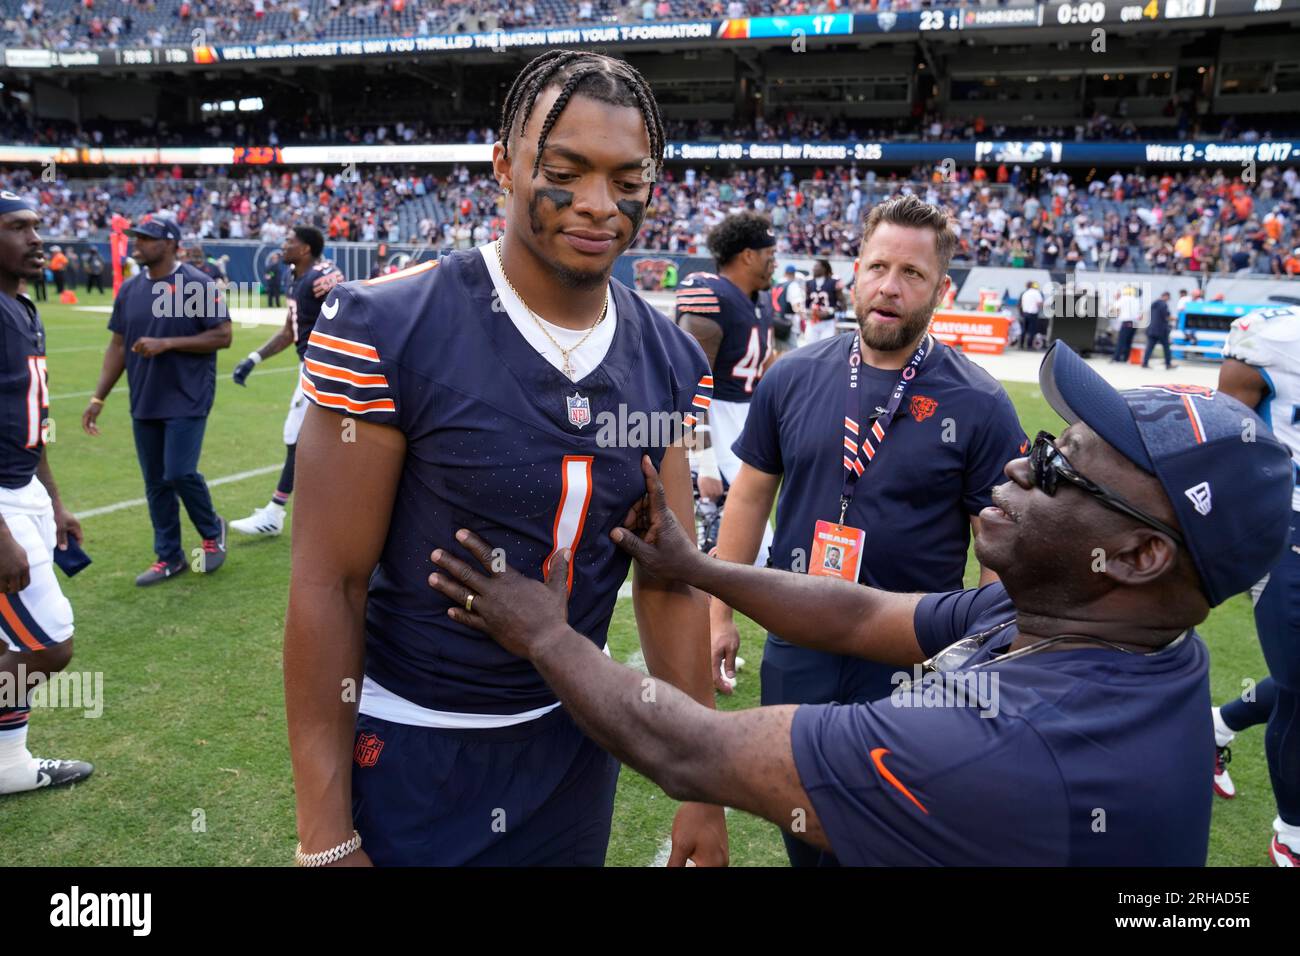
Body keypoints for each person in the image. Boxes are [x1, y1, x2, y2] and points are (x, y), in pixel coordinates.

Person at [427, 341, 1295, 866]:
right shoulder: (1106, 625)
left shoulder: (1012, 747)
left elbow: (686, 746)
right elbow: (856, 615)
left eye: (1063, 470)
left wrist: (543, 631)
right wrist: (703, 570)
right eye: (1043, 444)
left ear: (1142, 556)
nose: (1021, 468)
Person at [283, 50, 727, 868]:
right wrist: (324, 833)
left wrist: (700, 789)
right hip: (417, 745)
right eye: (566, 170)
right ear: (504, 165)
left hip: (574, 742)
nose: (598, 205)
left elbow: (665, 577)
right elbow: (328, 583)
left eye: (628, 180)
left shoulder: (666, 356)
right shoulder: (390, 325)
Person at [708, 194, 1026, 866]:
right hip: (799, 644)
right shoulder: (792, 377)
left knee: (894, 834)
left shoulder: (980, 403)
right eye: (878, 266)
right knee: (803, 824)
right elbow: (748, 500)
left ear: (942, 289)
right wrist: (718, 613)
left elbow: (995, 546)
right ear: (854, 272)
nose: (889, 286)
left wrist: (990, 654)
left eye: (912, 274)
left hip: (911, 660)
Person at [0, 191, 93, 795]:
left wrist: (52, 498)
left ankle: (8, 766)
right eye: (17, 228)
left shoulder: (23, 307)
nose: (37, 238)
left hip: (22, 487)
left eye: (37, 226)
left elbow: (29, 420)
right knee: (50, 645)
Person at [81, 219, 232, 586]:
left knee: (179, 471)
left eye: (146, 239)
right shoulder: (130, 290)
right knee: (155, 481)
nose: (137, 244)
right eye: (136, 238)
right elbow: (118, 345)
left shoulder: (196, 284)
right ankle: (169, 556)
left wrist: (167, 344)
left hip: (187, 394)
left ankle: (212, 532)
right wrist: (98, 396)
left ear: (169, 244)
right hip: (145, 397)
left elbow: (223, 335)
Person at [1207, 304, 1300, 866]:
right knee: (1298, 686)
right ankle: (1292, 833)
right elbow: (1225, 437)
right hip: (1286, 528)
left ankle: (1215, 727)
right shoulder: (1269, 335)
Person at [673, 213, 776, 568]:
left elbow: (764, 370)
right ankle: (713, 623)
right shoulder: (708, 294)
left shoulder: (760, 301)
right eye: (769, 253)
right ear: (748, 255)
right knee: (736, 555)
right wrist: (705, 462)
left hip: (747, 426)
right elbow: (689, 384)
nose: (774, 261)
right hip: (715, 424)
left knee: (764, 555)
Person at [228, 227, 342, 537]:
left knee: (298, 437)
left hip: (324, 369)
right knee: (319, 442)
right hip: (312, 365)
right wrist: (253, 358)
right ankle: (306, 509)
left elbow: (350, 320)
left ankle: (276, 512)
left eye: (290, 241)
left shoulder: (321, 277)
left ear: (305, 249)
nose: (284, 245)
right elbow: (288, 332)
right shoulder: (297, 277)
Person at [803, 259, 843, 345]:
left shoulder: (834, 281)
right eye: (814, 266)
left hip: (828, 322)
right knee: (810, 348)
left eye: (817, 266)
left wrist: (829, 311)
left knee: (825, 348)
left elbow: (842, 305)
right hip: (813, 322)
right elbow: (806, 303)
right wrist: (810, 312)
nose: (814, 268)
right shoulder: (809, 282)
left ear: (824, 268)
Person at [770, 263, 802, 354]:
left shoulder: (776, 284)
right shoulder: (792, 285)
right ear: (794, 273)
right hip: (787, 323)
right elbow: (796, 305)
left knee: (777, 352)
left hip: (775, 321)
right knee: (793, 353)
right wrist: (802, 315)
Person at [1142, 291, 1174, 370]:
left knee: (1149, 347)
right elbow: (1166, 316)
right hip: (1161, 330)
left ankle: (1144, 363)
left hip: (1152, 329)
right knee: (1166, 347)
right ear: (1166, 296)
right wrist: (1175, 318)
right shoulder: (1163, 304)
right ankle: (1168, 364)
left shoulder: (1154, 304)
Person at [1111, 286, 1141, 363]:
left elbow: (1114, 308)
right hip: (1135, 323)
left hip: (1126, 322)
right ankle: (1125, 358)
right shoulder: (1137, 300)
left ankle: (1116, 358)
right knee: (1128, 341)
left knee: (1121, 340)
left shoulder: (1124, 298)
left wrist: (1116, 299)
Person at [1018, 280, 1044, 350]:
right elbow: (1039, 303)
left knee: (1024, 330)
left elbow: (1021, 303)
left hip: (1025, 313)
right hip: (1033, 314)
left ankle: (1020, 345)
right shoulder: (1037, 293)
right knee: (1032, 331)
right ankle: (1029, 346)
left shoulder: (1025, 293)